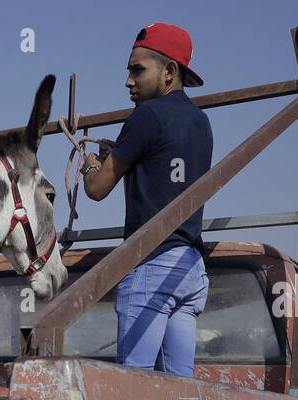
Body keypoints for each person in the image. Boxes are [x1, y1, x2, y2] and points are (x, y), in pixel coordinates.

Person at [81, 23, 213, 378]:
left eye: (138, 70)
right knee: (179, 386)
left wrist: (91, 165)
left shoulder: (146, 116)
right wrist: (127, 156)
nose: (128, 80)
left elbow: (96, 190)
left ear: (169, 71)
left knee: (133, 386)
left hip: (151, 265)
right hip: (189, 269)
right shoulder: (202, 122)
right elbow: (167, 175)